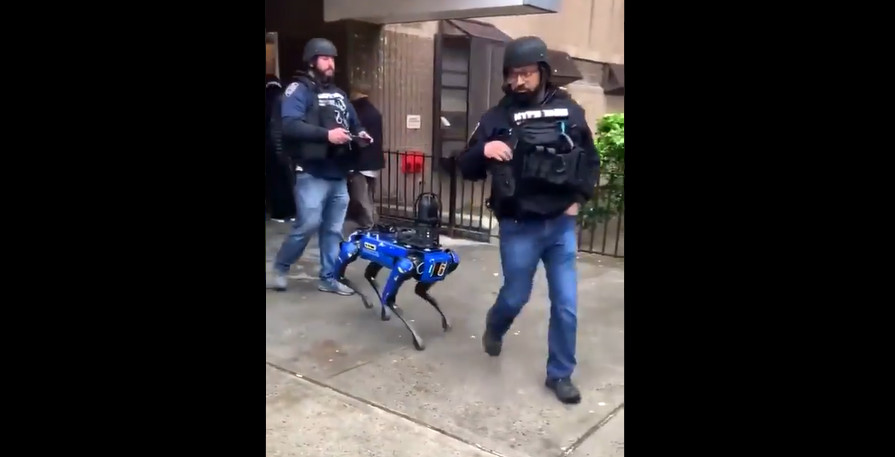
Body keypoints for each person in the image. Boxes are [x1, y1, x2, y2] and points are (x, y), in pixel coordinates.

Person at [457, 36, 600, 404]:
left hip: (560, 227)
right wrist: (483, 150)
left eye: (526, 74)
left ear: (542, 72)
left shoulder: (570, 111)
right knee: (515, 296)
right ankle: (495, 326)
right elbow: (463, 165)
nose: (519, 82)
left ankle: (560, 374)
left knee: (566, 305)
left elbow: (590, 160)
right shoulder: (496, 116)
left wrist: (578, 199)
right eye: (512, 75)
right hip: (518, 226)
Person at [268, 38, 374, 294]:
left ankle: (328, 277)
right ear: (312, 61)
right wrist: (327, 135)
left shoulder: (339, 94)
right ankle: (281, 266)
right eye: (325, 58)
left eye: (333, 59)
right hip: (311, 172)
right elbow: (290, 125)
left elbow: (353, 121)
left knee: (334, 229)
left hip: (337, 173)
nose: (331, 64)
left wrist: (361, 133)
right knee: (308, 224)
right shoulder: (298, 90)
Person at [347, 82, 384, 229]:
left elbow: (355, 135)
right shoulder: (374, 111)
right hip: (375, 160)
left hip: (361, 161)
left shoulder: (357, 111)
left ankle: (370, 224)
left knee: (361, 195)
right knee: (368, 195)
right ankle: (373, 222)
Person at [265, 74, 296, 221]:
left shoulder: (269, 100)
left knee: (274, 181)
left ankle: (279, 212)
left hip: (270, 147)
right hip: (286, 146)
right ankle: (291, 211)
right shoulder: (285, 99)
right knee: (288, 179)